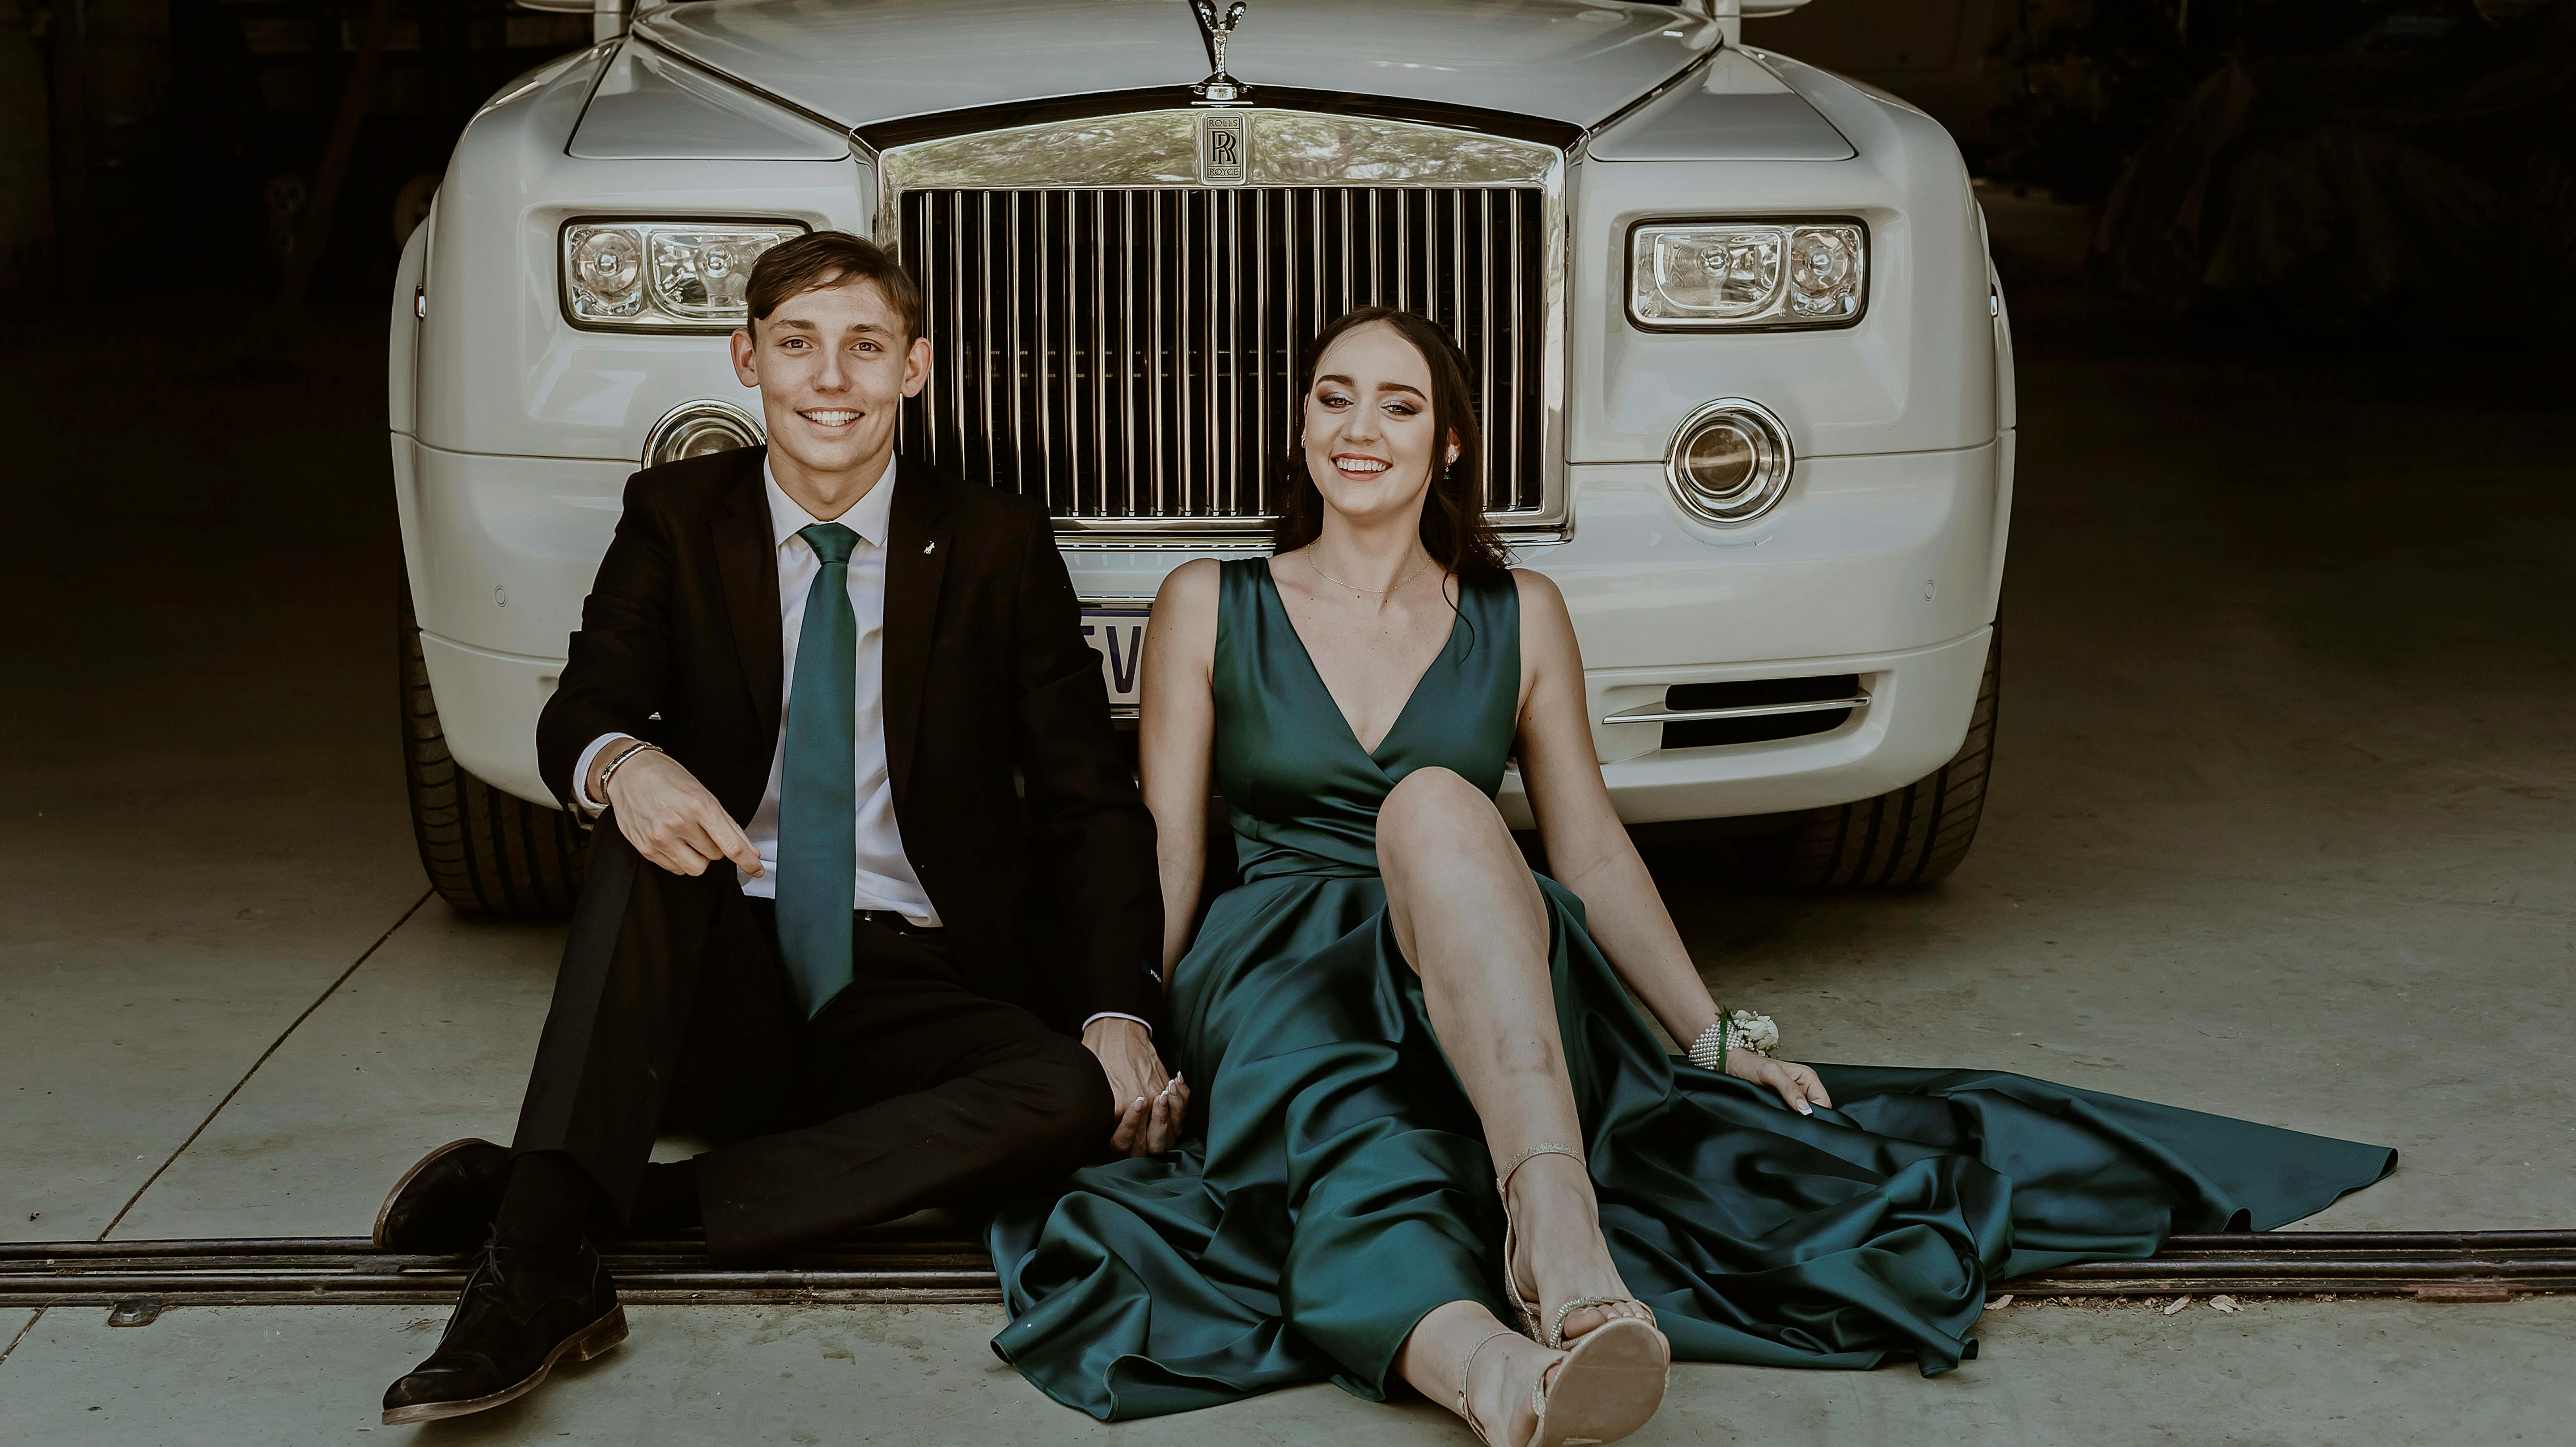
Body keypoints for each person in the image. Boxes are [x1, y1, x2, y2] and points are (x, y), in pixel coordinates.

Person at [989, 307, 2396, 1447]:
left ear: (1452, 440)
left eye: (1399, 403)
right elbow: (1165, 840)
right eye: (1336, 398)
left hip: (1483, 944)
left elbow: (1588, 844)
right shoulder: (1209, 602)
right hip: (1286, 956)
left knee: (1434, 808)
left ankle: (1558, 1250)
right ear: (1301, 429)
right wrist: (1131, 1026)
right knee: (1369, 1135)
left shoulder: (1517, 612)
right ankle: (1505, 1374)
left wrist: (1711, 1031)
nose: (1361, 427)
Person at [373, 232, 1186, 1426]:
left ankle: (624, 1204)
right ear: (747, 360)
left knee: (1067, 1092)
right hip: (720, 972)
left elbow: (1086, 801)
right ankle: (538, 1270)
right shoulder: (679, 515)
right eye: (799, 346)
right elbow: (585, 708)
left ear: (914, 369)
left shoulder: (995, 542)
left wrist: (1121, 1009)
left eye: (864, 349)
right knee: (651, 827)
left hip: (914, 974)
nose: (831, 380)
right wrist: (627, 764)